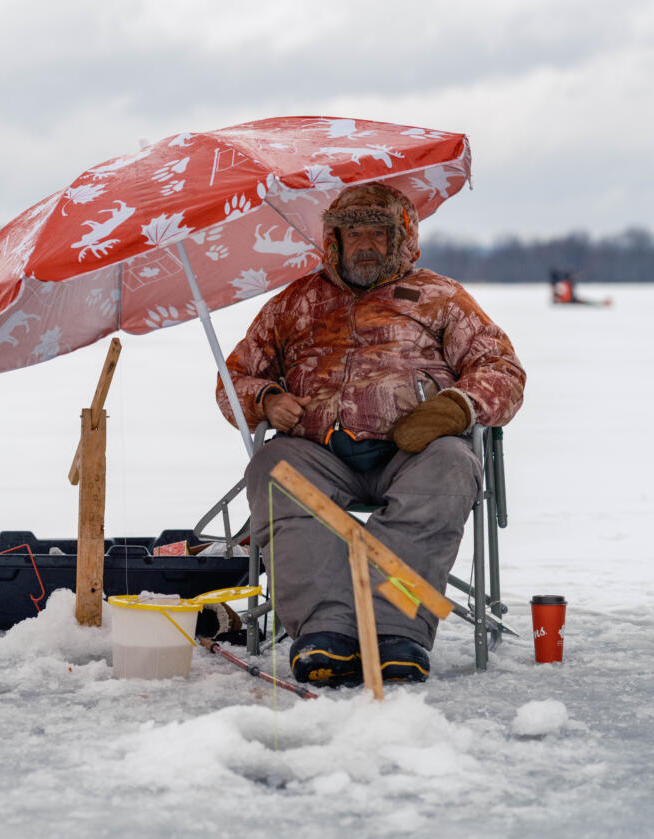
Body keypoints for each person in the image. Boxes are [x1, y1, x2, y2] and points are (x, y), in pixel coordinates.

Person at [216, 181, 525, 686]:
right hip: (318, 452)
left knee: (452, 466)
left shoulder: (441, 297)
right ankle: (327, 631)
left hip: (415, 454)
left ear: (401, 239)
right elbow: (234, 380)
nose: (364, 245)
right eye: (352, 234)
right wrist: (266, 400)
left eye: (378, 234)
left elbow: (502, 369)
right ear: (334, 241)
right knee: (274, 469)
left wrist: (456, 407)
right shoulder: (294, 303)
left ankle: (394, 632)